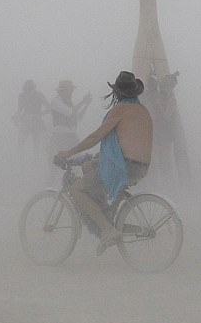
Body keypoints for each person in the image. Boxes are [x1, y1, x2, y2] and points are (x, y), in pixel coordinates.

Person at [54, 71, 153, 255]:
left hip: (125, 166)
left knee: (76, 189)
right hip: (140, 166)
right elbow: (127, 142)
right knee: (90, 168)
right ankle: (107, 221)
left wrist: (68, 153)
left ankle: (107, 230)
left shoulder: (120, 110)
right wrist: (97, 160)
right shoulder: (142, 110)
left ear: (117, 93)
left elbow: (96, 136)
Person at [49, 80, 92, 157]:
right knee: (61, 161)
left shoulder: (70, 102)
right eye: (70, 90)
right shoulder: (56, 101)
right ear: (63, 91)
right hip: (60, 137)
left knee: (76, 160)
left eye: (72, 90)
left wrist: (86, 105)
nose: (72, 92)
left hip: (72, 136)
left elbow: (78, 117)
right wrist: (83, 101)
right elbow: (69, 112)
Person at [13, 80, 49, 159]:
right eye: (26, 89)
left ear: (34, 88)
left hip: (36, 122)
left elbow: (48, 108)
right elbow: (19, 109)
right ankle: (21, 161)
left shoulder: (39, 95)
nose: (28, 91)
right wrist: (16, 117)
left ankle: (36, 162)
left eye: (30, 88)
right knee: (20, 142)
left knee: (36, 144)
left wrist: (39, 114)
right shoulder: (21, 96)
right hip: (25, 122)